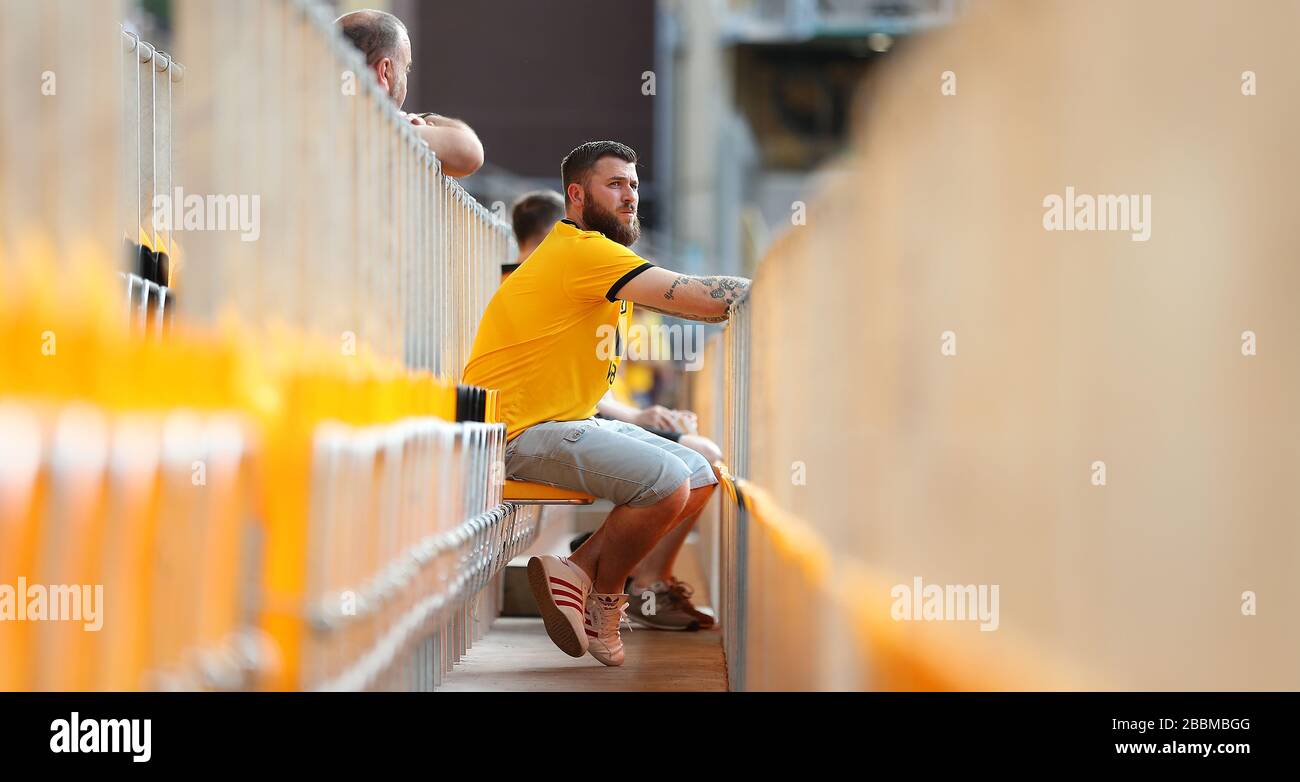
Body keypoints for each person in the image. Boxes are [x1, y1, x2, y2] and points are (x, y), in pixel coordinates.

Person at [463, 141, 749, 666]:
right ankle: (604, 596)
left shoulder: (590, 255)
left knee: (700, 471)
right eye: (614, 184)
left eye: (634, 186)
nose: (629, 197)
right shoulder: (582, 250)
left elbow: (701, 311)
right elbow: (702, 298)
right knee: (667, 481)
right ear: (576, 195)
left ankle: (583, 574)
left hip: (556, 421)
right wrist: (761, 289)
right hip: (517, 431)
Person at [502, 189, 724, 631]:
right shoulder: (526, 285)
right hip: (549, 420)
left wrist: (640, 411)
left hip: (586, 411)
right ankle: (606, 572)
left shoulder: (588, 276)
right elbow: (545, 381)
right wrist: (633, 415)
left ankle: (624, 571)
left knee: (703, 464)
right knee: (677, 473)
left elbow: (592, 373)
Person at [335, 9, 484, 177]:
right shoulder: (381, 129)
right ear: (385, 71)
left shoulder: (311, 108)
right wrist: (414, 123)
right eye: (406, 69)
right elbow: (470, 153)